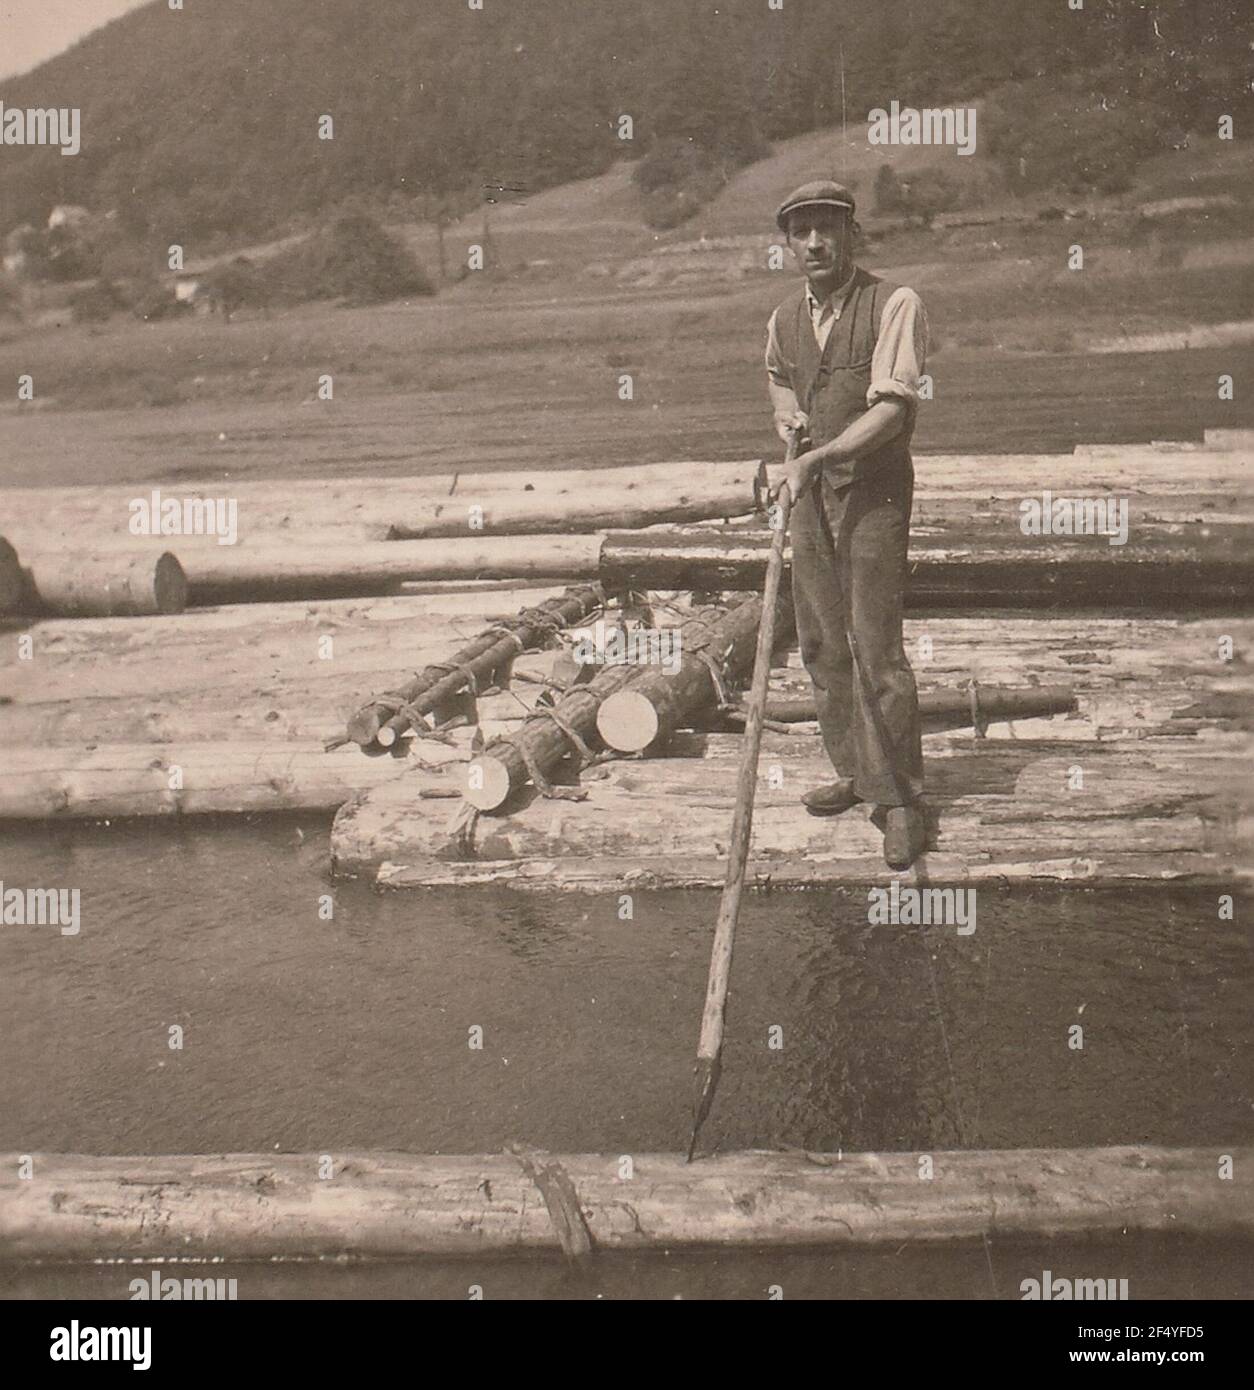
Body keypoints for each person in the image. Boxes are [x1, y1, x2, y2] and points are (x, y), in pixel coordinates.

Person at [765, 179, 928, 870]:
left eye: (827, 228)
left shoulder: (894, 303)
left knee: (875, 649)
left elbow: (893, 410)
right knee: (822, 644)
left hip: (873, 496)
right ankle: (855, 773)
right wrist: (787, 420)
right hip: (810, 500)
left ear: (851, 234)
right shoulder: (783, 317)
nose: (815, 243)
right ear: (789, 243)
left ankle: (898, 801)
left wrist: (823, 455)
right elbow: (777, 374)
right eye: (801, 231)